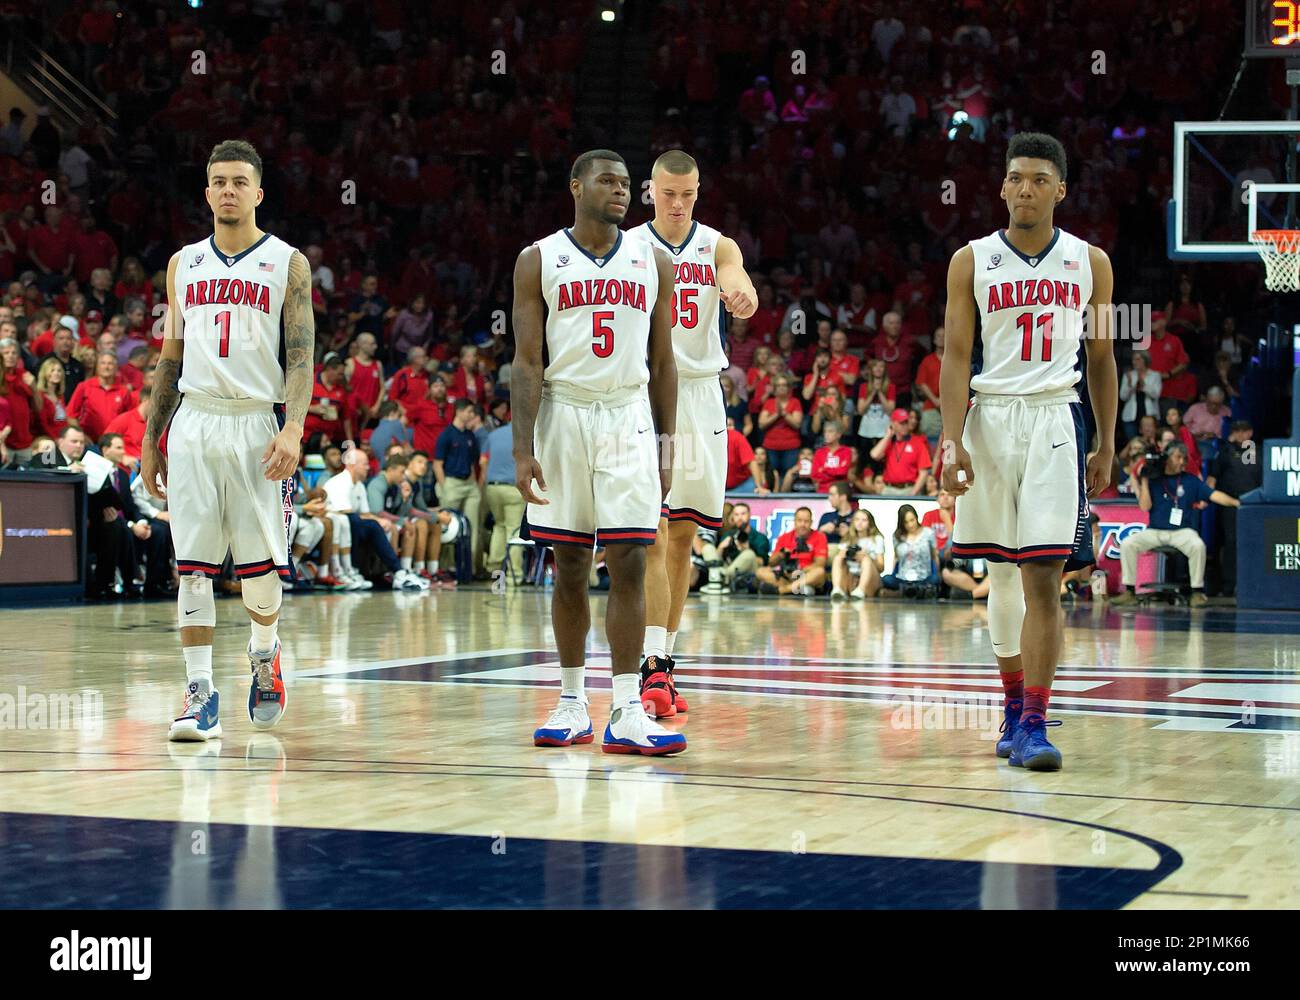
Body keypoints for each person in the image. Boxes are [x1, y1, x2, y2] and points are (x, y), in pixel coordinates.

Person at [941, 132, 1118, 771]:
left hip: (1053, 420)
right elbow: (957, 355)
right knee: (1003, 573)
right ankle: (1012, 706)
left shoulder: (1089, 262)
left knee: (1044, 575)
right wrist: (949, 437)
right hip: (989, 421)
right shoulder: (972, 260)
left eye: (1040, 179)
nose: (1025, 188)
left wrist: (1106, 442)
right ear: (1001, 187)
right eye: (1016, 177)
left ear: (1061, 189)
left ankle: (1037, 723)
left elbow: (1102, 356)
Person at [140, 140, 314, 743]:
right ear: (206, 191)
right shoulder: (183, 263)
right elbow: (170, 356)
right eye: (218, 182)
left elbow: (301, 355)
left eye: (240, 181)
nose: (228, 191)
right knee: (191, 565)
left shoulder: (288, 262)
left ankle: (265, 653)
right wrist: (150, 435)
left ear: (259, 192)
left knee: (260, 570)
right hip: (194, 421)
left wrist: (293, 426)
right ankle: (200, 694)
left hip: (257, 424)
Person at [512, 149, 684, 754]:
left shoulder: (654, 260)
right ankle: (569, 701)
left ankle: (627, 708)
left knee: (632, 561)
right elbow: (527, 363)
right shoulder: (539, 258)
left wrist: (668, 442)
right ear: (575, 185)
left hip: (627, 414)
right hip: (564, 412)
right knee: (570, 565)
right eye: (607, 181)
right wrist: (522, 445)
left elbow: (665, 365)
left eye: (625, 184)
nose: (620, 191)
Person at [626, 148, 758, 720]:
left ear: (698, 192)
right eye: (667, 193)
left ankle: (664, 662)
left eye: (688, 194)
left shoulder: (717, 244)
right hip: (645, 391)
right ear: (649, 192)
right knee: (651, 531)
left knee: (682, 537)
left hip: (702, 391)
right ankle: (650, 667)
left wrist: (741, 292)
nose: (678, 204)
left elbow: (735, 273)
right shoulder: (630, 244)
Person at [1111, 443, 1240, 606]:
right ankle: (1129, 591)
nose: (1182, 462)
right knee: (1128, 543)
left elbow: (1214, 495)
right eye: (1178, 457)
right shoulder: (1154, 480)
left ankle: (1197, 592)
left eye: (1184, 458)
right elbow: (1145, 507)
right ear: (1168, 458)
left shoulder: (1190, 481)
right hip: (1155, 531)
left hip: (1182, 532)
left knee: (1197, 545)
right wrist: (1144, 480)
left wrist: (1236, 502)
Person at [1205, 420, 1261, 598]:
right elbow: (1212, 480)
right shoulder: (1225, 452)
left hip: (1255, 505)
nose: (1241, 434)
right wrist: (1206, 496)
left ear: (1250, 432)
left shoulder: (1258, 452)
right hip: (1230, 504)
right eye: (1237, 431)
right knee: (1231, 544)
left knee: (1254, 543)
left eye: (1244, 431)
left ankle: (1253, 584)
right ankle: (1229, 586)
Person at [756, 506, 828, 595]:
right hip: (786, 576)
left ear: (811, 523)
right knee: (761, 572)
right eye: (800, 520)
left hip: (806, 574)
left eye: (806, 521)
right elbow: (771, 563)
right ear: (794, 522)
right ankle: (797, 588)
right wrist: (781, 555)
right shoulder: (784, 537)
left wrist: (800, 570)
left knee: (820, 572)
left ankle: (782, 590)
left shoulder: (819, 537)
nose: (803, 524)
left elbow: (820, 563)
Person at [699, 501, 769, 590]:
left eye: (743, 514)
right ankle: (718, 577)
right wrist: (721, 547)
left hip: (748, 573)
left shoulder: (760, 538)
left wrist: (745, 549)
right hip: (726, 565)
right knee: (708, 548)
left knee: (749, 554)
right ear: (733, 517)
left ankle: (720, 578)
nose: (740, 518)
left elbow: (762, 563)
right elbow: (718, 559)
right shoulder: (728, 535)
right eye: (736, 515)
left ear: (749, 515)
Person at [881, 504, 940, 595]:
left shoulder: (928, 533)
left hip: (924, 577)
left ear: (916, 518)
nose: (910, 525)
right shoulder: (897, 536)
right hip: (903, 578)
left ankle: (909, 591)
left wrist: (937, 572)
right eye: (906, 522)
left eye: (912, 520)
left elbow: (934, 556)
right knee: (886, 579)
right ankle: (915, 591)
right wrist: (893, 573)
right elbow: (896, 559)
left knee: (935, 579)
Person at [870, 407, 931, 495]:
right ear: (893, 424)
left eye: (906, 422)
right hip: (888, 488)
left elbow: (923, 473)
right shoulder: (888, 443)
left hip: (909, 488)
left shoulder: (918, 443)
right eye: (901, 423)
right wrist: (888, 435)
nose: (905, 426)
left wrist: (913, 493)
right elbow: (874, 455)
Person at [829, 507, 885, 600]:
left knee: (866, 560)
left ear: (870, 523)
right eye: (857, 519)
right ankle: (837, 589)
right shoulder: (847, 539)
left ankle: (861, 590)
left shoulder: (876, 539)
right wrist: (844, 555)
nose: (860, 523)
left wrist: (867, 557)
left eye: (864, 520)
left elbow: (881, 567)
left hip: (870, 578)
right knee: (838, 558)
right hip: (850, 577)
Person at [1119, 349, 1161, 443]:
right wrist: (1130, 385)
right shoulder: (1129, 375)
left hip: (1149, 416)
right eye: (1134, 359)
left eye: (1138, 359)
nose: (1135, 362)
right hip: (1131, 416)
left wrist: (1143, 384)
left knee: (1150, 442)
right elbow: (1123, 397)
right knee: (1134, 443)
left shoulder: (1155, 375)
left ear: (1145, 360)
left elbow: (1155, 395)